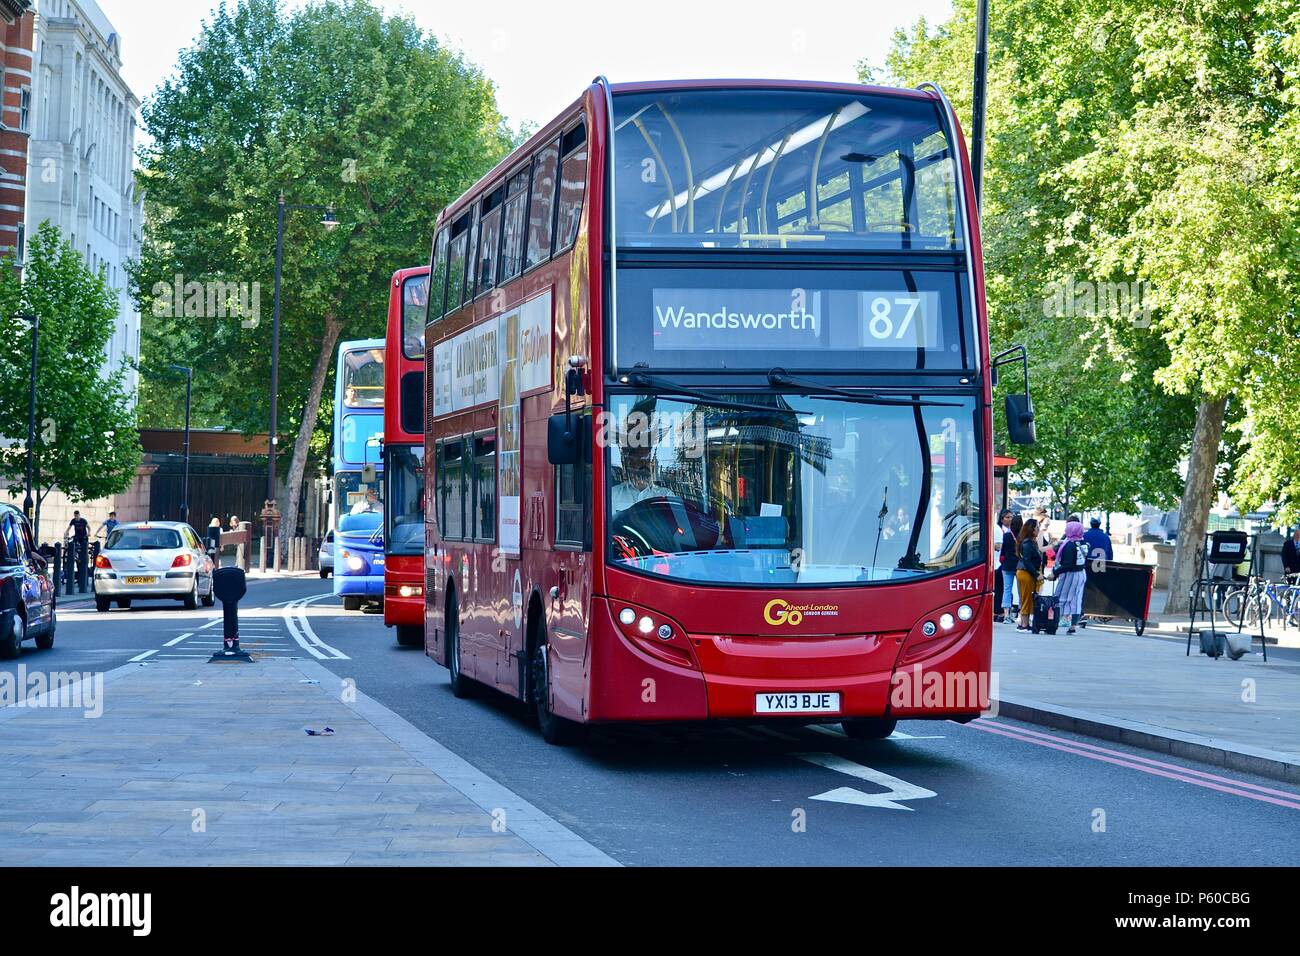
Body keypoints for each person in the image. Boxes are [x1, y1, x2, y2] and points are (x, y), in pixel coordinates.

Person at [1050, 520, 1089, 633]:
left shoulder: (1069, 545)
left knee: (1060, 597)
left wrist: (1055, 572)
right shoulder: (1083, 543)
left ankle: (1055, 622)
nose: (1065, 531)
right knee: (1076, 599)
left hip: (1070, 575)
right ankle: (1073, 626)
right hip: (1081, 573)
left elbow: (1067, 564)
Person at [611, 442, 671, 513]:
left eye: (648, 459)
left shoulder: (665, 495)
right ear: (630, 463)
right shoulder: (613, 494)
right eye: (640, 459)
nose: (644, 463)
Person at [1016, 518, 1043, 631]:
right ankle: (1024, 624)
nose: (1039, 529)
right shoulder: (1028, 543)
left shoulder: (1030, 542)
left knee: (1026, 598)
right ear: (1032, 529)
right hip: (1026, 573)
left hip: (1026, 572)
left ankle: (1024, 623)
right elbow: (1027, 561)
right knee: (1026, 598)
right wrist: (1036, 574)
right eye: (1037, 527)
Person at [995, 509, 1018, 623]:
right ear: (1002, 518)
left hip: (1005, 564)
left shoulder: (1011, 532)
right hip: (1003, 563)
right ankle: (1003, 613)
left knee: (1007, 589)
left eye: (1011, 517)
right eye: (1007, 517)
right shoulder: (1001, 530)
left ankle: (1006, 613)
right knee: (1005, 589)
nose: (1010, 519)